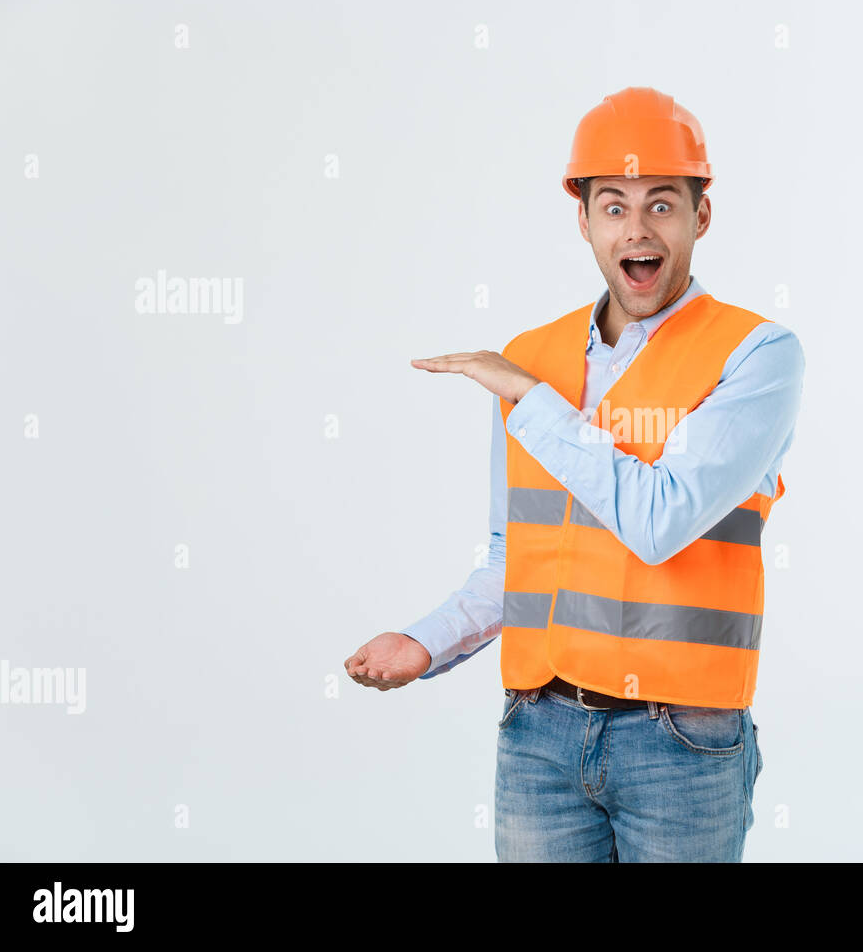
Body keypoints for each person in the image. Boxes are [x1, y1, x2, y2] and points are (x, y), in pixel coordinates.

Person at [344, 86, 805, 862]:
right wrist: (427, 641)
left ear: (702, 216)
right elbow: (514, 555)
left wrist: (532, 403)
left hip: (682, 745)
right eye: (614, 206)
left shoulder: (755, 357)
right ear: (584, 220)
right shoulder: (531, 358)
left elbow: (661, 521)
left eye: (662, 204)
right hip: (539, 739)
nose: (638, 227)